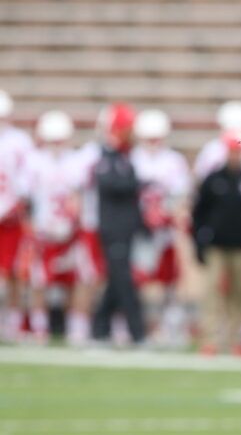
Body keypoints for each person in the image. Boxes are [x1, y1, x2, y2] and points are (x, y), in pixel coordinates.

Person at [193, 133, 241, 355]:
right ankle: (211, 339)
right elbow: (199, 212)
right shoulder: (213, 179)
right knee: (213, 290)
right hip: (216, 244)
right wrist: (198, 240)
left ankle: (236, 339)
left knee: (240, 292)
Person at [26, 112, 89, 344]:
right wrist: (32, 226)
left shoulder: (76, 161)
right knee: (38, 280)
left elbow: (81, 196)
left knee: (78, 278)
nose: (57, 145)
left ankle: (77, 328)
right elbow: (27, 199)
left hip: (72, 231)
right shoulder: (34, 161)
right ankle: (39, 327)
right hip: (43, 231)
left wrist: (75, 220)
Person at [132, 108, 192, 347]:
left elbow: (181, 196)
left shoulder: (173, 161)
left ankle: (169, 324)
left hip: (165, 231)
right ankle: (142, 324)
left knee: (170, 280)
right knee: (140, 280)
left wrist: (168, 214)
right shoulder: (133, 158)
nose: (153, 143)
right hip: (139, 231)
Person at [90, 103, 147, 345]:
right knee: (122, 279)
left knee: (116, 280)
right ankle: (137, 332)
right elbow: (109, 184)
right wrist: (139, 185)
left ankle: (99, 330)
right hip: (113, 228)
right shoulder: (106, 155)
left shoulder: (125, 156)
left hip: (125, 227)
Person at [0, 90, 34, 341]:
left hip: (12, 218)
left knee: (15, 272)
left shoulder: (19, 141)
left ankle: (14, 321)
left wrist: (17, 203)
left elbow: (28, 179)